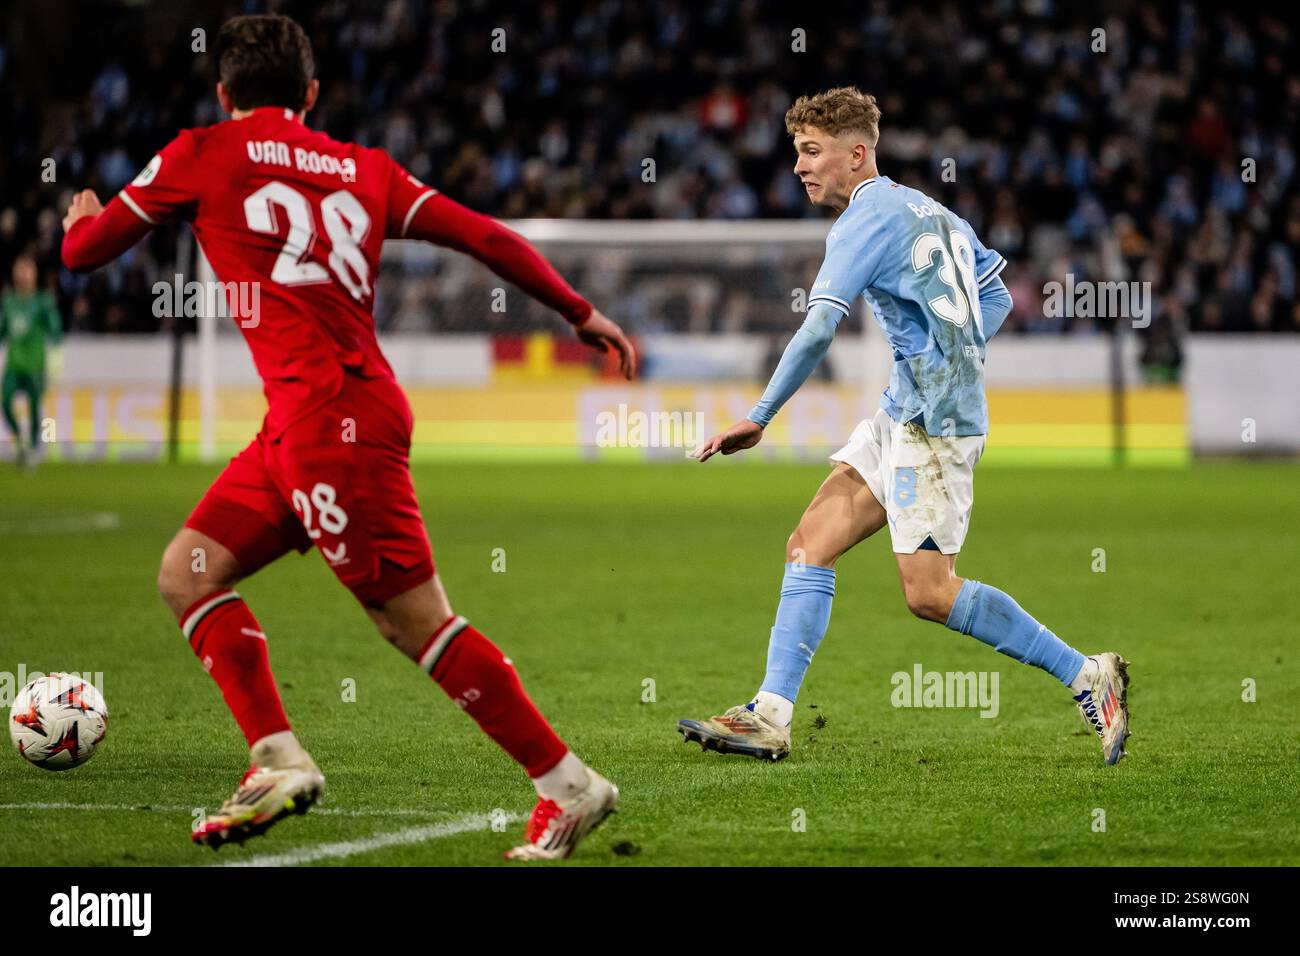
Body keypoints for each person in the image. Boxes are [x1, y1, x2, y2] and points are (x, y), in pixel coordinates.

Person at [62, 13, 637, 859]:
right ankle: (276, 757)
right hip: (309, 424)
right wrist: (579, 312)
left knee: (414, 623)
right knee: (189, 571)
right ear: (313, 95)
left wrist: (81, 215)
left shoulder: (200, 152)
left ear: (224, 94)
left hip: (330, 427)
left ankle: (567, 784)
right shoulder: (365, 170)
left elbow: (84, 254)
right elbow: (484, 234)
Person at [679, 87, 1131, 766]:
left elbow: (819, 326)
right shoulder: (933, 210)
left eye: (812, 151)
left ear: (856, 154)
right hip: (905, 410)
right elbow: (997, 294)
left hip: (935, 424)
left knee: (928, 593)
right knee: (809, 542)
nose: (800, 167)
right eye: (796, 151)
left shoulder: (863, 221)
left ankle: (1085, 672)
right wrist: (951, 354)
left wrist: (759, 417)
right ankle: (770, 714)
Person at [1, 254, 62, 467]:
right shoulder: (9, 301)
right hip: (14, 365)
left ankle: (34, 449)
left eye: (28, 270)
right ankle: (21, 440)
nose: (24, 275)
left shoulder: (42, 301)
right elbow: (2, 330)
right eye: (20, 270)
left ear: (34, 273)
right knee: (5, 403)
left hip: (35, 365)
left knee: (35, 408)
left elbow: (54, 329)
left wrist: (56, 356)